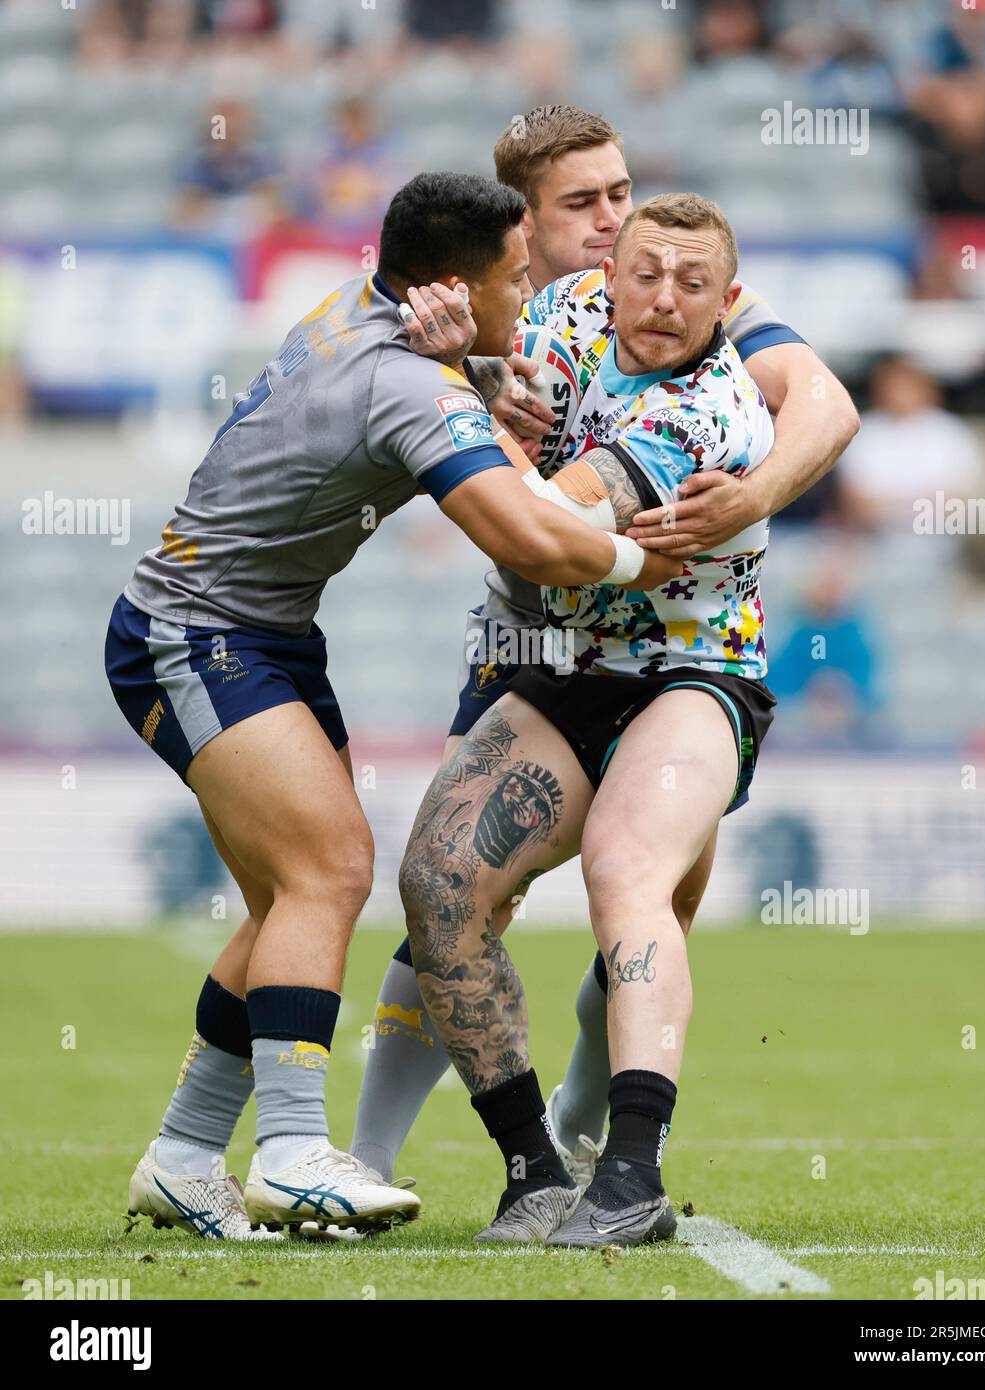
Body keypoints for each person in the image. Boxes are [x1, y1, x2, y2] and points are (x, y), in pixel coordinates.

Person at [104, 171, 679, 1241]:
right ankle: (289, 1154)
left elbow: (428, 396)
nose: (528, 290)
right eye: (516, 274)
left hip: (249, 628)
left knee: (292, 900)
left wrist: (471, 366)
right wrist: (648, 558)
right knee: (329, 870)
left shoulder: (355, 309)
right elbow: (527, 539)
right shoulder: (413, 384)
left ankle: (186, 1154)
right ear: (455, 283)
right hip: (198, 633)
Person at [350, 103, 859, 1190]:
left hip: (684, 650)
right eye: (587, 204)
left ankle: (601, 1130)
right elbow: (476, 437)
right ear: (523, 228)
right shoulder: (546, 306)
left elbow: (824, 402)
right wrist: (477, 394)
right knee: (452, 886)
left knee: (645, 886)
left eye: (619, 192)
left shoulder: (690, 326)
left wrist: (748, 499)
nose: (611, 217)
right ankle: (406, 1158)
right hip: (534, 639)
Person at [399, 193, 776, 1246]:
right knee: (436, 882)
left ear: (728, 302)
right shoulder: (564, 310)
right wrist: (460, 365)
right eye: (645, 274)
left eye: (692, 285)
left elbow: (544, 524)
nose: (662, 299)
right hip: (561, 668)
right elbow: (505, 395)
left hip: (693, 670)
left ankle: (630, 1172)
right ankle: (529, 1170)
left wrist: (444, 401)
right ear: (607, 277)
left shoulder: (709, 408)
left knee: (625, 866)